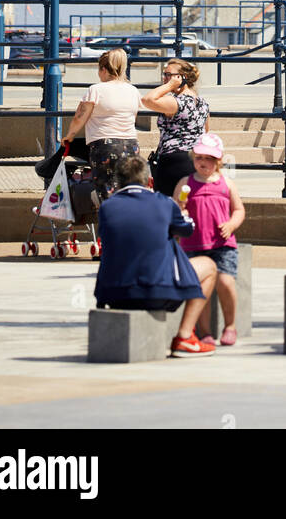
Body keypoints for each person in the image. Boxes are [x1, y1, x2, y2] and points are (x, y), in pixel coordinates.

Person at [94, 153, 218, 356]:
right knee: (209, 266)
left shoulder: (107, 208)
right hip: (156, 293)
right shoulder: (164, 203)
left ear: (117, 183)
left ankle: (185, 337)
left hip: (113, 294)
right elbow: (187, 230)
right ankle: (185, 337)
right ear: (150, 181)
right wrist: (181, 213)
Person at [174, 133, 245, 347]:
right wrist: (181, 210)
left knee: (225, 282)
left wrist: (232, 224)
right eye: (199, 158)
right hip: (193, 244)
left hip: (222, 244)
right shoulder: (186, 183)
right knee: (199, 288)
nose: (203, 163)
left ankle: (230, 325)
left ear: (218, 161)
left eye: (209, 159)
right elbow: (176, 209)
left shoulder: (227, 184)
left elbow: (239, 210)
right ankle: (204, 331)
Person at [63, 49, 141, 200]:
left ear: (103, 69)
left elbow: (79, 118)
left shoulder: (96, 90)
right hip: (131, 145)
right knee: (128, 191)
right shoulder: (133, 90)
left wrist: (69, 136)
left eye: (99, 70)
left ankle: (108, 221)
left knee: (106, 192)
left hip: (105, 146)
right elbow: (133, 117)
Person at [141, 58, 210, 197]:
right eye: (164, 74)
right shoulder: (203, 103)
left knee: (168, 206)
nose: (164, 78)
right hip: (194, 162)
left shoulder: (177, 102)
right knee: (185, 203)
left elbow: (147, 100)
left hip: (173, 162)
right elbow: (206, 131)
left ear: (182, 78)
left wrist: (169, 86)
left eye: (168, 75)